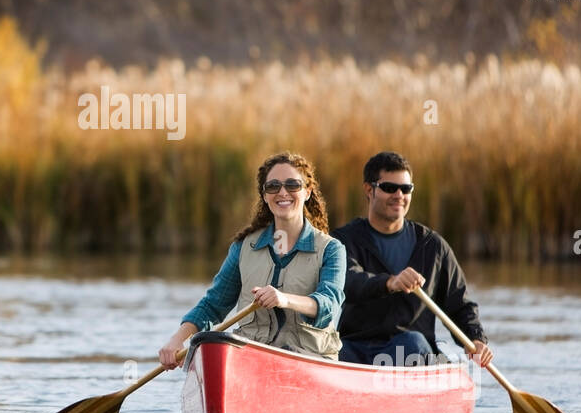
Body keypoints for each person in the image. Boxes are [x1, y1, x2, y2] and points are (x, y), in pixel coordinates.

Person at [158, 152, 346, 368]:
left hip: (308, 362)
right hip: (250, 361)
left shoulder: (332, 249)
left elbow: (329, 305)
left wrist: (283, 299)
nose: (283, 192)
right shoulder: (243, 247)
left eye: (293, 184)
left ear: (307, 192)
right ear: (265, 196)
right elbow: (212, 306)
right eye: (273, 186)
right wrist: (177, 340)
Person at [331, 151, 493, 368]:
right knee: (327, 349)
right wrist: (389, 282)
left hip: (409, 351)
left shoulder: (433, 246)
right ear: (369, 190)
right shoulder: (343, 240)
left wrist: (476, 339)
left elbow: (460, 305)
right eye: (390, 188)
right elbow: (346, 280)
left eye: (406, 189)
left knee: (413, 342)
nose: (399, 195)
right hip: (355, 350)